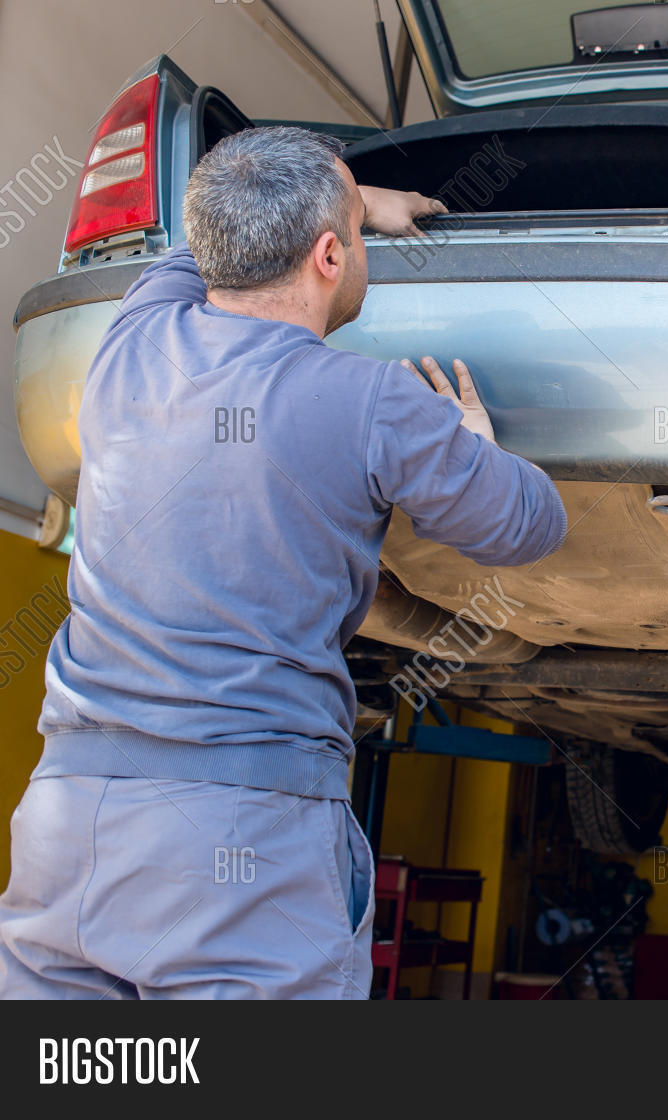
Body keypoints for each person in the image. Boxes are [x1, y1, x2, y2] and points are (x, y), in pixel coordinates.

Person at [0, 126, 566, 998]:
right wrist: (475, 444)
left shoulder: (132, 339)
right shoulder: (372, 401)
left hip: (68, 821)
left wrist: (348, 203)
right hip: (240, 842)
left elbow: (201, 252)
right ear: (332, 254)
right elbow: (529, 526)